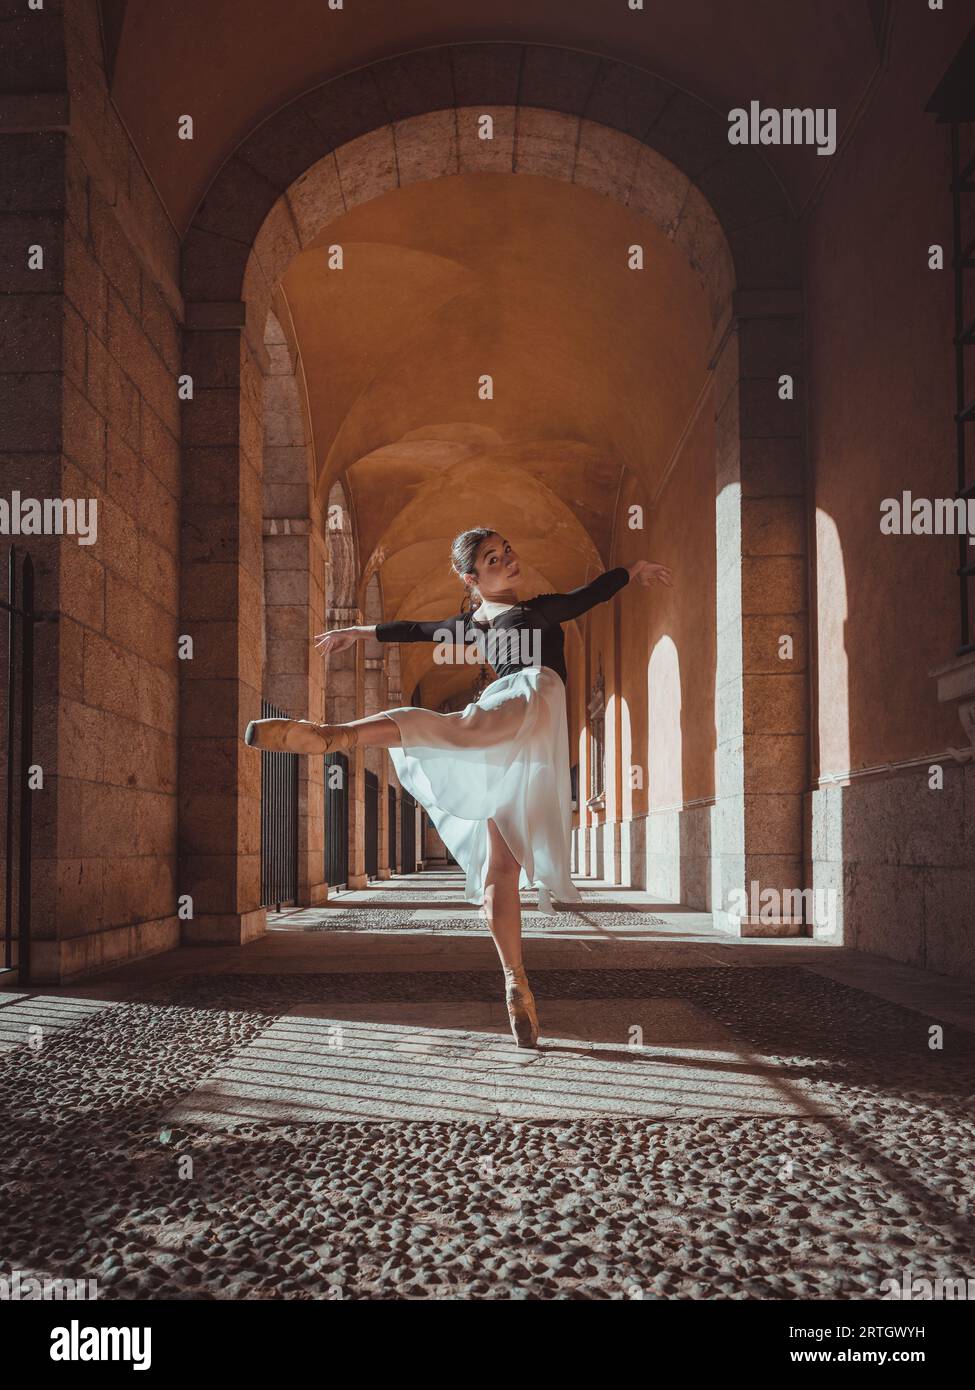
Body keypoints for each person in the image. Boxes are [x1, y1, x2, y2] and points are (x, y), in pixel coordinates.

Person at [245, 528, 673, 1047]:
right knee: (500, 860)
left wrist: (632, 570)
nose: (509, 559)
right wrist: (357, 631)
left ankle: (343, 736)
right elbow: (416, 628)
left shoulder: (517, 614)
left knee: (460, 747)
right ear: (473, 578)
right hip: (526, 711)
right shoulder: (499, 619)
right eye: (495, 558)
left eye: (508, 550)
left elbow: (588, 595)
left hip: (529, 721)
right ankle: (516, 980)